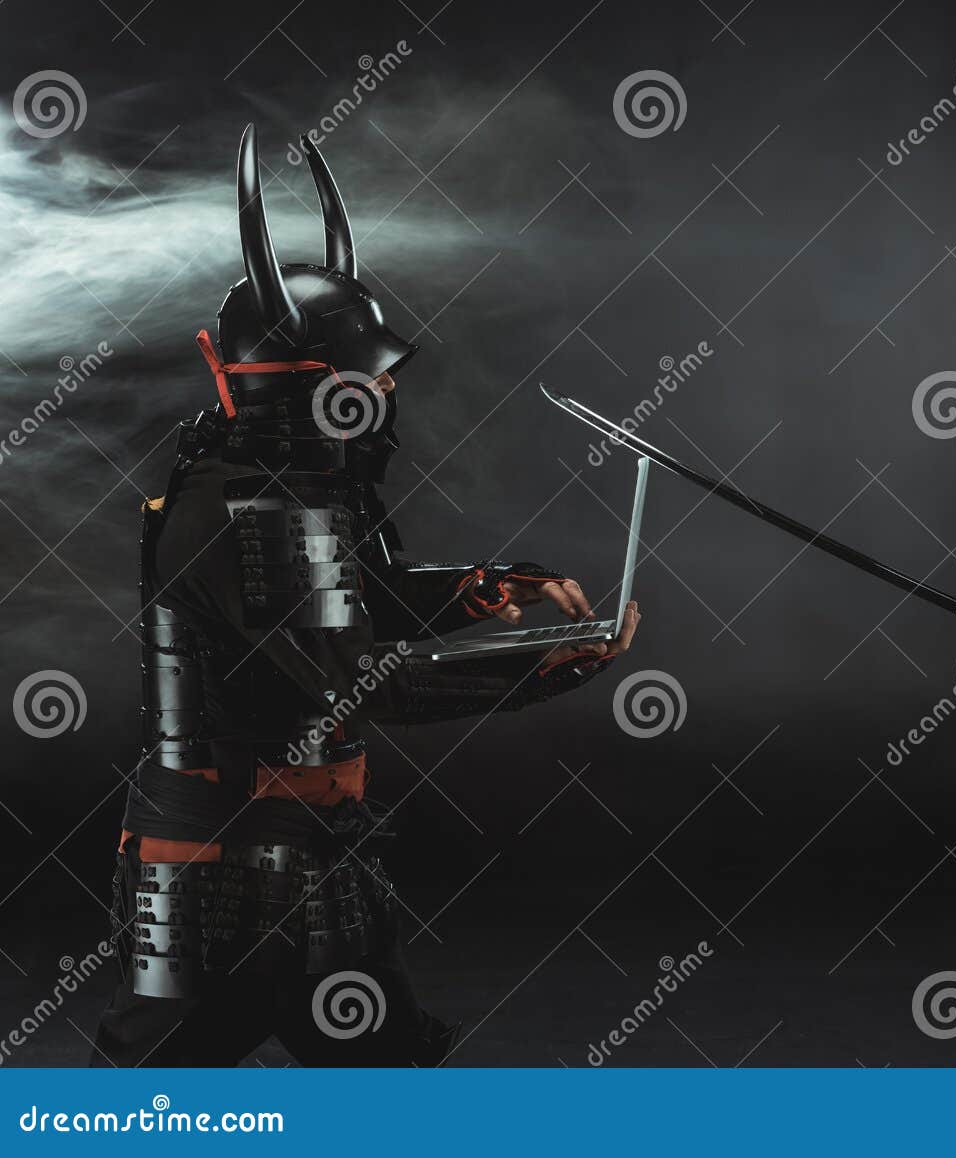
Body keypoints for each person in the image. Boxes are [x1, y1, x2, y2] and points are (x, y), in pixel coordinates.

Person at [91, 124, 639, 1066]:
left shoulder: (300, 497)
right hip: (223, 863)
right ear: (307, 390)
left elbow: (362, 599)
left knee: (382, 1077)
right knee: (138, 1105)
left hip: (308, 846)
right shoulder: (244, 510)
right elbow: (359, 680)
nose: (375, 406)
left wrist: (484, 591)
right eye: (356, 386)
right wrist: (547, 666)